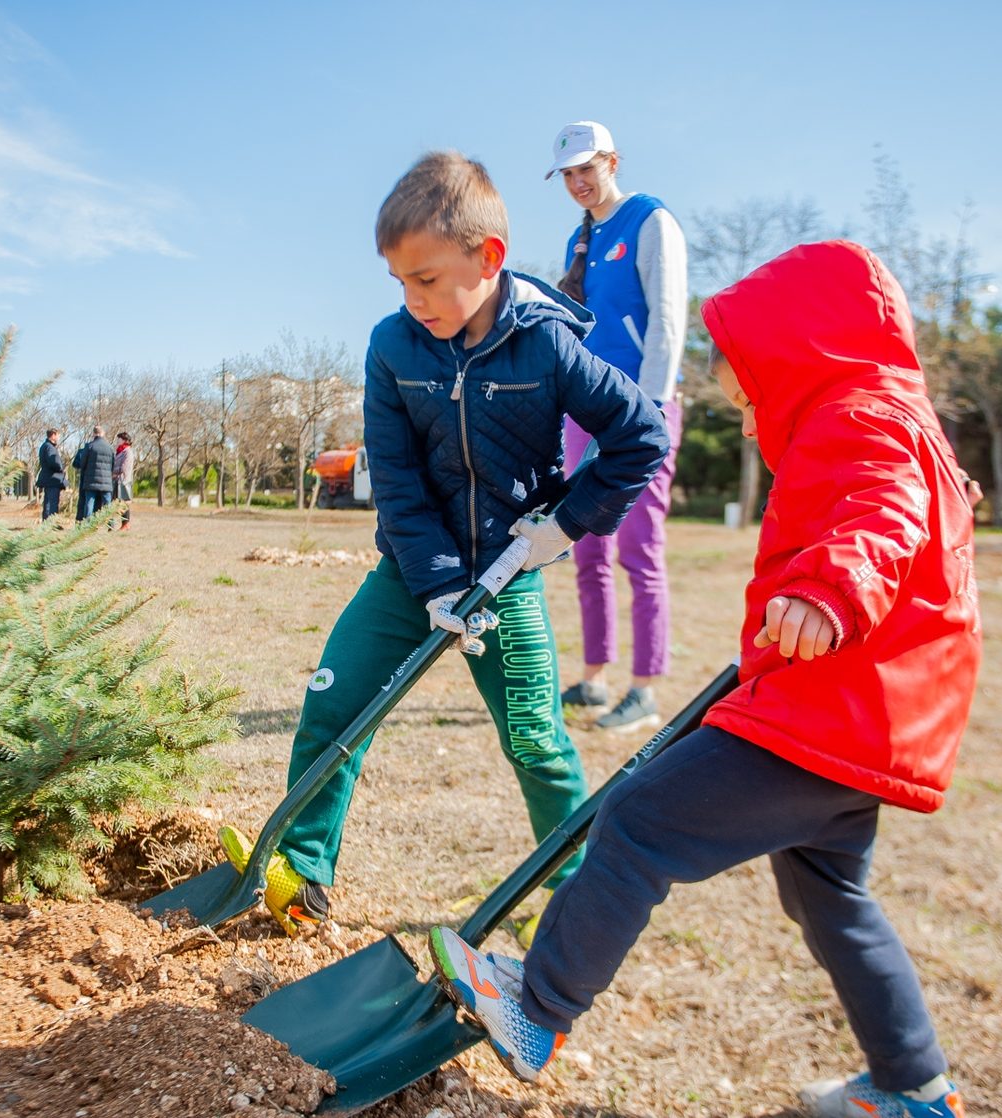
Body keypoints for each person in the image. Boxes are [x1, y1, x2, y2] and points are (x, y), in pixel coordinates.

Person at [429, 241, 981, 1118]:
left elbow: (881, 516)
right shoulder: (899, 416)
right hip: (867, 723)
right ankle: (914, 1085)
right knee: (831, 897)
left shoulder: (863, 415)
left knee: (638, 822)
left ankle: (537, 1008)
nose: (745, 410)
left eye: (749, 386)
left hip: (824, 713)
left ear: (803, 353)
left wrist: (829, 591)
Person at [218, 152, 669, 935]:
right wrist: (433, 583)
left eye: (426, 279)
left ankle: (575, 901)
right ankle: (304, 873)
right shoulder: (393, 347)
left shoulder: (549, 345)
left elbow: (641, 437)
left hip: (508, 578)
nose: (412, 299)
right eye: (400, 281)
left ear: (488, 258)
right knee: (334, 708)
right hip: (408, 578)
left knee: (536, 740)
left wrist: (562, 528)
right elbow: (395, 478)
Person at [545, 121, 688, 733]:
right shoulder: (579, 240)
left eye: (587, 168)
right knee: (588, 551)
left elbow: (669, 320)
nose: (578, 182)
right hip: (586, 413)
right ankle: (595, 677)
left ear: (612, 161)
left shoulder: (650, 220)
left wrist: (650, 410)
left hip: (641, 411)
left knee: (639, 551)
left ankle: (645, 690)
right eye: (568, 174)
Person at [73, 425, 115, 522]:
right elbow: (113, 464)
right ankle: (111, 524)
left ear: (93, 433)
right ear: (103, 433)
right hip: (106, 481)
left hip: (91, 480)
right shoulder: (110, 447)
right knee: (108, 504)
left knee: (89, 503)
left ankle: (87, 524)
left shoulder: (89, 446)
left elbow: (83, 463)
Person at [36, 428, 67, 521]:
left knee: (48, 502)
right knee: (52, 503)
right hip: (52, 479)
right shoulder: (49, 447)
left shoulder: (45, 446)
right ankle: (51, 522)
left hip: (48, 478)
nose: (58, 438)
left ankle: (48, 521)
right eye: (58, 435)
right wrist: (60, 468)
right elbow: (53, 462)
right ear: (53, 435)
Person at [111, 430, 136, 528]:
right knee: (117, 502)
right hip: (117, 480)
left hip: (124, 481)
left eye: (119, 439)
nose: (117, 441)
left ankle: (125, 524)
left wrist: (113, 471)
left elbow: (125, 468)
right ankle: (121, 523)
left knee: (124, 502)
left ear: (124, 440)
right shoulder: (119, 451)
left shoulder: (128, 452)